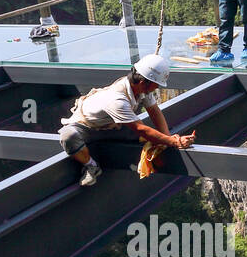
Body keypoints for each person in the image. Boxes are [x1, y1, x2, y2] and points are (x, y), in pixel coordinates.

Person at [57, 53, 194, 187]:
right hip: (87, 127)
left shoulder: (140, 89)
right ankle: (91, 166)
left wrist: (168, 139)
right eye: (156, 84)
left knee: (155, 138)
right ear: (143, 82)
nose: (157, 88)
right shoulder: (117, 99)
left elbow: (154, 111)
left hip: (112, 126)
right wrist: (173, 142)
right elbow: (141, 129)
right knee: (69, 136)